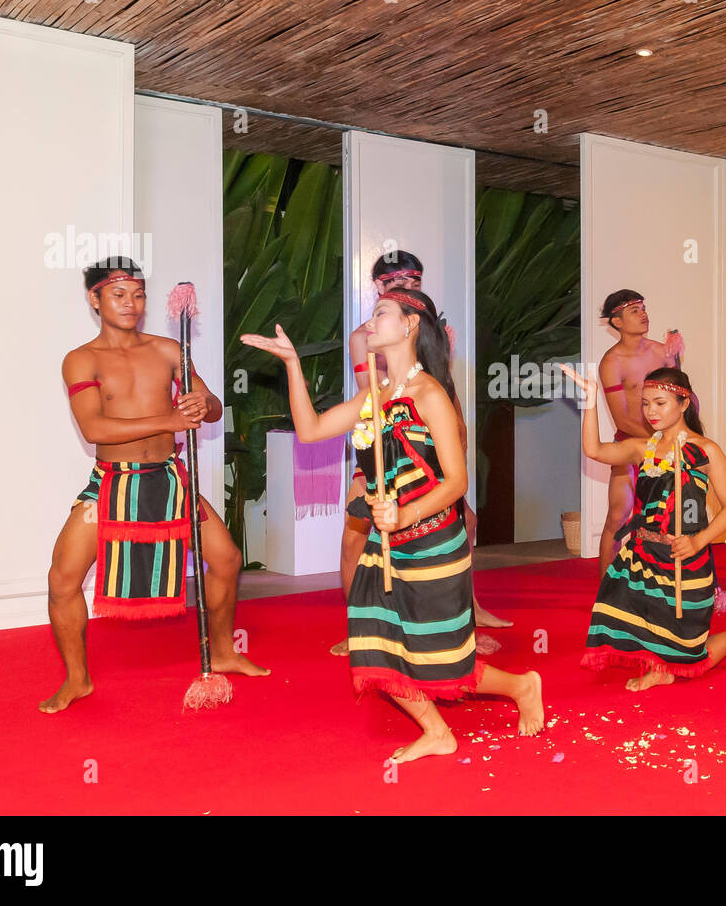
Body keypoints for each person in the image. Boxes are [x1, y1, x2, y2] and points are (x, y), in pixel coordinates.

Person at [242, 288, 543, 762]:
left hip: (434, 542)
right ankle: (437, 732)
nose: (370, 322)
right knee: (374, 647)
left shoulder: (430, 394)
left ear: (409, 325)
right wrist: (292, 365)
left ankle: (522, 686)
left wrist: (405, 513)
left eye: (381, 313)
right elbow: (311, 430)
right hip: (384, 545)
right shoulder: (373, 397)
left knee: (441, 657)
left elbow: (457, 480)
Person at [42, 258, 268, 713]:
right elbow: (94, 429)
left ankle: (222, 651)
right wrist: (168, 417)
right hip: (113, 482)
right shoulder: (81, 359)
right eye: (119, 294)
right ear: (95, 299)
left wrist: (202, 404)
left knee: (226, 559)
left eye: (139, 294)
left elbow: (215, 407)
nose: (131, 304)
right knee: (63, 579)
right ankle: (78, 680)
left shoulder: (169, 350)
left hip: (168, 478)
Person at [332, 251, 509, 658]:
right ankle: (359, 624)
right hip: (383, 443)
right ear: (378, 286)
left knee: (465, 520)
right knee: (354, 537)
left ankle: (464, 617)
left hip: (427, 442)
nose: (408, 285)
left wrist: (458, 437)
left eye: (414, 279)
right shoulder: (366, 336)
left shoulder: (429, 329)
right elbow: (374, 398)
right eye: (397, 280)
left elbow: (444, 387)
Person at [560, 363, 726, 692]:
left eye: (660, 403)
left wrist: (697, 542)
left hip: (686, 559)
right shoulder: (642, 448)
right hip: (643, 554)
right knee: (621, 603)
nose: (651, 411)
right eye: (646, 403)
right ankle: (657, 667)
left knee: (689, 655)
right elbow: (594, 450)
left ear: (684, 404)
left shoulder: (706, 451)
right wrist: (591, 401)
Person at [596, 290, 679, 575]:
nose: (643, 314)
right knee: (618, 516)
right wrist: (656, 442)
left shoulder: (660, 351)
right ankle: (605, 589)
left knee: (671, 517)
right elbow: (622, 418)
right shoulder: (612, 362)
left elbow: (681, 401)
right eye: (634, 310)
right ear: (617, 321)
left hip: (667, 445)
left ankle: (667, 579)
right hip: (631, 445)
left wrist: (676, 360)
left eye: (643, 308)